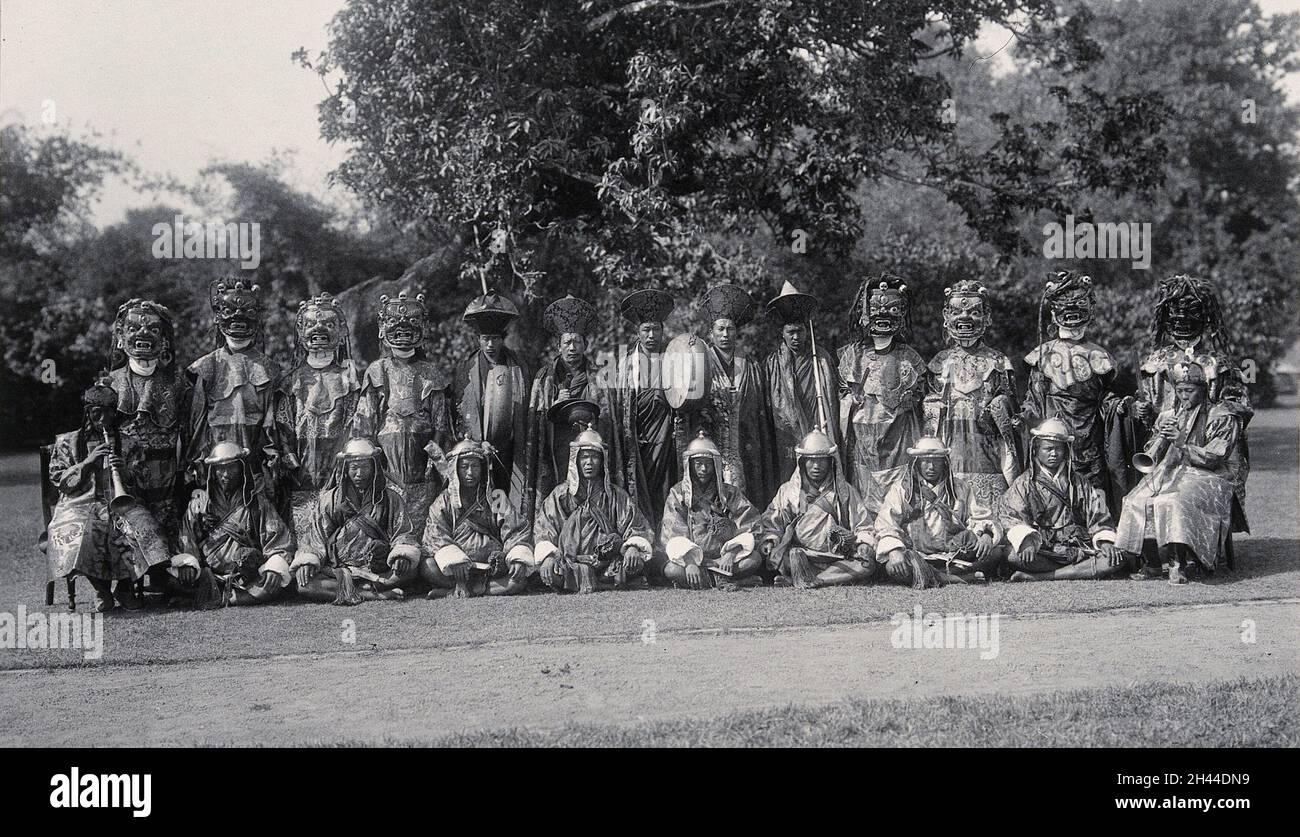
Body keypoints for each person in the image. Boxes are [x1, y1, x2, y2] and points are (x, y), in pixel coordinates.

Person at [1135, 274, 1251, 536]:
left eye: (1190, 316)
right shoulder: (1156, 361)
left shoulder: (1219, 363)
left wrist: (1209, 417)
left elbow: (1239, 405)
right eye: (1176, 317)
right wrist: (1143, 411)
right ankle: (1155, 551)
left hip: (1206, 445)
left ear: (1204, 318)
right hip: (1162, 446)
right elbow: (1148, 403)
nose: (1182, 323)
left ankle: (1195, 543)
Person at [42, 379, 171, 612]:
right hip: (79, 504)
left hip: (122, 503)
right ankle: (101, 590)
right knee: (84, 533)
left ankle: (124, 587)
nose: (103, 420)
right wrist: (86, 464)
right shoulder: (67, 441)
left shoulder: (129, 442)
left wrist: (126, 471)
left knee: (141, 528)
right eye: (97, 414)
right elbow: (57, 479)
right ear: (87, 413)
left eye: (109, 414)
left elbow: (144, 480)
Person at [1115, 362, 1241, 584]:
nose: (1184, 397)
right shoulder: (1169, 414)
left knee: (1172, 500)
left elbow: (1215, 457)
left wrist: (1182, 443)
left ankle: (1177, 564)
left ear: (1203, 390)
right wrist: (1159, 439)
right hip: (1170, 470)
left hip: (1209, 475)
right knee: (1135, 500)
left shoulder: (1220, 414)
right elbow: (1150, 451)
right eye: (1180, 391)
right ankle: (1152, 563)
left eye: (1189, 391)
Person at [353, 290, 455, 541]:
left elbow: (441, 420)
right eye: (396, 333)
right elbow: (366, 419)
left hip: (423, 456)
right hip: (386, 459)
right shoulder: (377, 370)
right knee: (385, 514)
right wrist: (371, 457)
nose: (402, 338)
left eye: (409, 332)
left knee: (423, 519)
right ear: (384, 333)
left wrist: (436, 453)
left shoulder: (430, 372)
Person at [1023, 272, 1129, 510]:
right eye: (1064, 307)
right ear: (1053, 313)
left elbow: (1106, 398)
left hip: (1090, 437)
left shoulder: (1099, 356)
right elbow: (1034, 398)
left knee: (1093, 491)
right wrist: (1023, 417)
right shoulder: (1042, 355)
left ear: (1091, 311)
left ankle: (1098, 534)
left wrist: (1117, 406)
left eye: (1079, 305)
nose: (1071, 312)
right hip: (1054, 434)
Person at [274, 293, 362, 569]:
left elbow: (355, 423)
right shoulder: (291, 381)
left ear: (340, 332)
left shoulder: (348, 379)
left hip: (338, 468)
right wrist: (287, 453)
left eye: (327, 326)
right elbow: (283, 423)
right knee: (304, 537)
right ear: (300, 333)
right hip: (302, 470)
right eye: (311, 325)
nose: (319, 332)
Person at [105, 299, 191, 578]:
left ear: (165, 341)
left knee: (184, 554)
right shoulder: (109, 385)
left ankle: (169, 573)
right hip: (128, 484)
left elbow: (190, 432)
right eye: (133, 328)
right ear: (120, 338)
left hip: (170, 486)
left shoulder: (179, 384)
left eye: (153, 330)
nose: (143, 334)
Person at [522, 294, 619, 525]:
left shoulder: (600, 376)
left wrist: (593, 424)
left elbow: (609, 419)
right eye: (567, 342)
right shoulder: (544, 378)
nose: (572, 348)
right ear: (558, 346)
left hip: (590, 452)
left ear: (586, 345)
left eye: (577, 342)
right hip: (555, 449)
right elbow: (534, 426)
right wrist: (553, 406)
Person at [923, 279, 1021, 507]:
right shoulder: (940, 361)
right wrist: (936, 406)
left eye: (974, 312)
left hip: (986, 443)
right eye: (957, 312)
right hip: (951, 440)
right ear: (946, 316)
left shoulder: (998, 362)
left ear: (987, 317)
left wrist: (998, 406)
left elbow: (1012, 410)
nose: (965, 318)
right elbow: (929, 407)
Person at [681, 283, 779, 508]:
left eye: (730, 329)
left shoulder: (751, 366)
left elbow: (760, 410)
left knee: (747, 500)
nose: (725, 334)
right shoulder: (700, 364)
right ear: (711, 333)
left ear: (737, 332)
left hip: (746, 446)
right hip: (711, 444)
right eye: (720, 329)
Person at [293, 438, 419, 604]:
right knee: (305, 584)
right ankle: (372, 593)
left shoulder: (390, 498)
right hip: (339, 569)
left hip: (378, 567)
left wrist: (401, 555)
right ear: (345, 469)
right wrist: (308, 561)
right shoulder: (330, 499)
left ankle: (357, 588)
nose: (359, 473)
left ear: (374, 467)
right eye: (354, 467)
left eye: (365, 467)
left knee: (410, 571)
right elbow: (317, 536)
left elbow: (402, 532)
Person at [1000, 418, 1126, 582]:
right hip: (1044, 549)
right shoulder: (1023, 484)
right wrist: (1026, 540)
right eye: (1048, 448)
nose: (1054, 453)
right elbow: (1010, 516)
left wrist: (1105, 542)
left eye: (1058, 449)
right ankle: (1080, 571)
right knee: (1011, 555)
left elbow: (1099, 514)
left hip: (1078, 547)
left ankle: (1041, 577)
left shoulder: (1081, 482)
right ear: (1036, 450)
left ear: (1066, 451)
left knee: (1118, 557)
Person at [838, 277, 926, 511]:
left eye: (892, 309)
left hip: (898, 437)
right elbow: (842, 396)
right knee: (862, 497)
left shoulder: (909, 357)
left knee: (897, 498)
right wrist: (851, 399)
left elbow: (922, 400)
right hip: (862, 437)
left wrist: (909, 400)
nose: (883, 314)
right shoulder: (853, 355)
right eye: (876, 309)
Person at [171, 441, 293, 607]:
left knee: (271, 584)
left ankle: (217, 598)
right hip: (208, 576)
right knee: (169, 580)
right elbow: (187, 538)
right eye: (220, 468)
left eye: (231, 468)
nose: (225, 474)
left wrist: (274, 567)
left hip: (247, 575)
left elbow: (278, 539)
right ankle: (225, 596)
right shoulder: (199, 504)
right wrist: (188, 563)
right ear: (212, 472)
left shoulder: (257, 503)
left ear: (242, 469)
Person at [534, 425, 653, 594]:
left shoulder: (615, 495)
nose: (589, 462)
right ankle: (602, 583)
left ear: (602, 461)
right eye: (584, 457)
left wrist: (633, 547)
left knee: (636, 563)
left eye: (594, 457)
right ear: (576, 460)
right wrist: (548, 557)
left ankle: (592, 581)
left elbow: (635, 525)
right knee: (549, 572)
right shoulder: (561, 495)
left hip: (608, 561)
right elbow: (545, 529)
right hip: (571, 562)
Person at [186, 279, 280, 489]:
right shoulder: (207, 366)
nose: (239, 319)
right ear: (218, 317)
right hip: (216, 467)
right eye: (230, 312)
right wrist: (198, 468)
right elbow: (198, 425)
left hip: (255, 466)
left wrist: (270, 465)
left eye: (247, 313)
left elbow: (271, 425)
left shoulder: (268, 368)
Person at [874, 437, 1005, 584]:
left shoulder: (960, 487)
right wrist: (894, 550)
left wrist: (986, 536)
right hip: (918, 556)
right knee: (893, 567)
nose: (931, 467)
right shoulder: (902, 490)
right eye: (925, 461)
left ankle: (933, 575)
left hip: (954, 554)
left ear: (944, 462)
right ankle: (952, 577)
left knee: (995, 553)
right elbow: (886, 524)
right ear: (916, 463)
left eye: (936, 460)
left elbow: (980, 518)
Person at [758, 430, 876, 588]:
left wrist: (863, 543)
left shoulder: (845, 491)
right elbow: (772, 522)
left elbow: (863, 525)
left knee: (866, 565)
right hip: (802, 554)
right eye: (811, 460)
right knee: (782, 557)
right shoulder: (788, 491)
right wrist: (770, 539)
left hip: (838, 557)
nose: (816, 466)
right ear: (802, 461)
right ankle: (807, 575)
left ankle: (816, 580)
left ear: (830, 462)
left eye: (822, 461)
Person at [421, 438, 535, 597]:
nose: (470, 472)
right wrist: (454, 560)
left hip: (491, 567)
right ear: (455, 469)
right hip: (458, 570)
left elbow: (516, 530)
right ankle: (470, 587)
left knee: (518, 580)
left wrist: (515, 557)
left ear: (482, 468)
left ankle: (460, 590)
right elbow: (436, 535)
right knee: (428, 566)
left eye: (475, 466)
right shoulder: (444, 501)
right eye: (464, 466)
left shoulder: (496, 497)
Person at [451, 290, 531, 512]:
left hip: (509, 443)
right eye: (486, 339)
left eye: (495, 339)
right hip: (478, 446)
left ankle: (508, 530)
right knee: (480, 497)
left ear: (502, 339)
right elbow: (459, 412)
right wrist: (478, 440)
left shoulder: (518, 366)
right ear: (478, 339)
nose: (490, 345)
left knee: (507, 497)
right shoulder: (466, 370)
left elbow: (526, 407)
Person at [656, 432, 763, 589]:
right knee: (672, 569)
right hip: (693, 561)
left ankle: (707, 581)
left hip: (725, 560)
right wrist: (690, 561)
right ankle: (727, 581)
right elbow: (672, 533)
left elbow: (750, 524)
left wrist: (731, 553)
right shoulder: (678, 493)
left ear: (716, 465)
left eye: (708, 464)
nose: (704, 469)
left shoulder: (730, 493)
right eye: (698, 464)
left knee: (754, 559)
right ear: (689, 465)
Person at [610, 288, 680, 523]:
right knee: (637, 492)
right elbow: (616, 408)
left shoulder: (674, 359)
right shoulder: (624, 365)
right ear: (637, 332)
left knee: (663, 491)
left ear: (663, 330)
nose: (651, 335)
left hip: (666, 441)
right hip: (636, 442)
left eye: (656, 329)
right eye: (646, 330)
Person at [763, 281, 841, 484]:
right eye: (791, 332)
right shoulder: (772, 363)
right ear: (782, 333)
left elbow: (833, 398)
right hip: (787, 432)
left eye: (800, 331)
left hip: (818, 424)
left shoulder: (821, 359)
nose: (796, 337)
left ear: (807, 331)